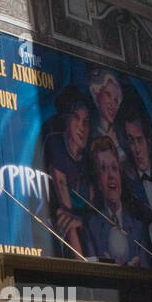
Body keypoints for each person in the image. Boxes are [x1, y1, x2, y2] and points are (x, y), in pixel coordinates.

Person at [82, 137, 152, 268]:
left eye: (114, 168)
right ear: (97, 180)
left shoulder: (139, 227)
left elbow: (147, 276)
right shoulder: (91, 227)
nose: (111, 175)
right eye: (103, 169)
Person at [44, 88, 92, 256]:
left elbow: (94, 210)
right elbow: (67, 214)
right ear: (67, 121)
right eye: (77, 119)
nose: (82, 127)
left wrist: (83, 221)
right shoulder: (56, 146)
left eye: (86, 121)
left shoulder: (89, 158)